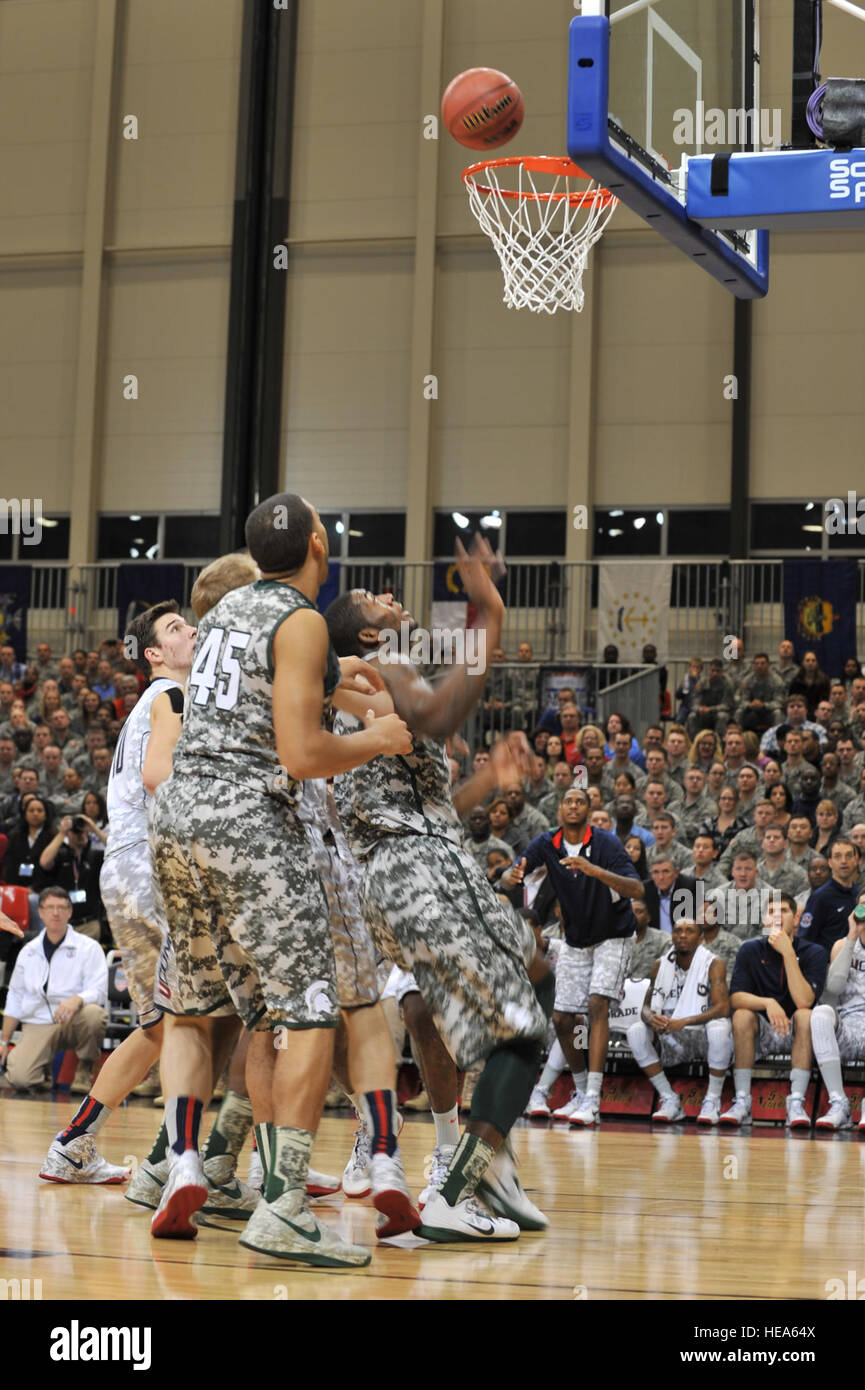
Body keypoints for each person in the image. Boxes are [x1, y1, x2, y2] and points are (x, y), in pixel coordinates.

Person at [148, 500, 416, 1265]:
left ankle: (188, 1164)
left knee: (199, 1010)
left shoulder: (231, 603)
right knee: (306, 1015)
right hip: (247, 828)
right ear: (320, 545)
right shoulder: (297, 619)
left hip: (180, 824)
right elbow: (299, 755)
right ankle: (286, 1205)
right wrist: (375, 738)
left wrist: (334, 677)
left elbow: (257, 694)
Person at [327, 537, 553, 1242]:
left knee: (533, 962)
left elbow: (424, 799)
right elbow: (436, 716)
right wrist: (485, 614)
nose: (393, 599)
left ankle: (490, 1168)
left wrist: (488, 783)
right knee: (522, 1034)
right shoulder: (372, 667)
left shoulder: (365, 685)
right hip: (419, 874)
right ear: (367, 631)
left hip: (409, 871)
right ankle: (459, 1185)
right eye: (378, 599)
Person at [502, 786, 643, 1127]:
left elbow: (637, 889)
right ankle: (579, 1092)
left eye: (581, 801)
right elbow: (511, 873)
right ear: (560, 810)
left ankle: (593, 1097)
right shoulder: (547, 842)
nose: (574, 806)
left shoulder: (606, 843)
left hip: (614, 935)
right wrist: (511, 875)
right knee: (562, 1019)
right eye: (568, 801)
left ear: (590, 809)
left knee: (597, 1005)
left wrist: (594, 870)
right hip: (576, 939)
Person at [720, 892, 827, 1128]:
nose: (777, 916)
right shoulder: (749, 950)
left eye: (784, 911)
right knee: (742, 1015)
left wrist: (788, 952)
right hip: (764, 1031)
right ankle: (742, 1101)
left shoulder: (814, 952)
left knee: (805, 1015)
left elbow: (803, 1001)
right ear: (764, 920)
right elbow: (736, 997)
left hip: (801, 1035)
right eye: (771, 912)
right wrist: (768, 1003)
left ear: (796, 919)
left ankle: (796, 1103)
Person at [0, 887, 110, 1105]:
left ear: (70, 912)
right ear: (40, 912)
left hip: (74, 1019)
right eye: (50, 907)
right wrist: (4, 1041)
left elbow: (99, 990)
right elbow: (15, 997)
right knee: (21, 1079)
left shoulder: (89, 947)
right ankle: (42, 1073)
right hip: (38, 1021)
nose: (56, 913)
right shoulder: (28, 951)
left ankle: (85, 1066)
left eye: (61, 907)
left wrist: (77, 999)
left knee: (94, 1014)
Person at [626, 918, 732, 1124]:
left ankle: (712, 1100)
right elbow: (645, 1008)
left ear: (701, 938)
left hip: (703, 1034)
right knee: (636, 1030)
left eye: (689, 931)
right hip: (670, 1034)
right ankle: (669, 1098)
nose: (682, 935)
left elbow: (723, 1008)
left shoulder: (714, 963)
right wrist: (652, 1018)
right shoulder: (660, 965)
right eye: (677, 931)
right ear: (672, 936)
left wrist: (684, 1021)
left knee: (720, 1029)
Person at [810, 888, 865, 1129]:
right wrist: (852, 937)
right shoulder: (842, 944)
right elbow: (832, 989)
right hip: (849, 1029)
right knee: (820, 1013)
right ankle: (839, 1104)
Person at [798, 837, 861, 953]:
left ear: (856, 860)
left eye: (849, 855)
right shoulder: (820, 897)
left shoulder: (860, 895)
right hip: (829, 965)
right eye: (838, 856)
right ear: (830, 862)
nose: (844, 861)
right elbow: (805, 938)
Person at [756, 824, 809, 898]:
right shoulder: (754, 873)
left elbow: (802, 903)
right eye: (768, 837)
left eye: (776, 837)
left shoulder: (799, 874)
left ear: (786, 843)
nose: (772, 840)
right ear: (762, 843)